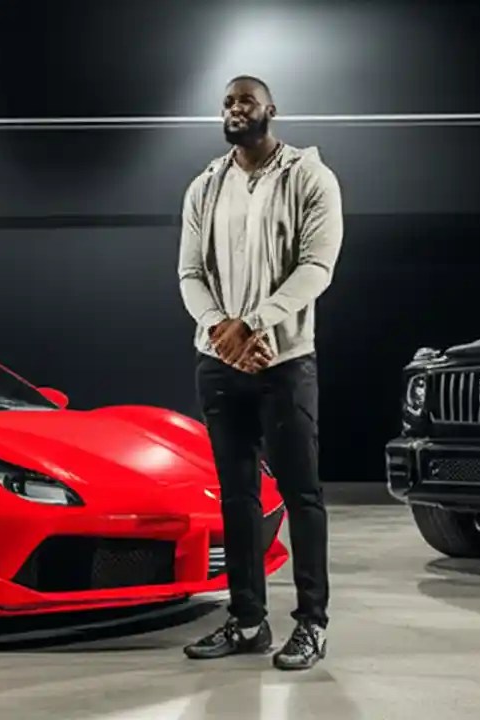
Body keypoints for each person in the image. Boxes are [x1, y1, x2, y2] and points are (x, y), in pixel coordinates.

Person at [176, 74, 344, 671]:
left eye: (244, 100)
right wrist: (224, 329)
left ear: (270, 109)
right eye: (226, 102)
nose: (233, 109)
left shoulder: (310, 177)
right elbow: (189, 275)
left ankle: (312, 624)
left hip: (286, 362)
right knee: (237, 496)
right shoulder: (204, 187)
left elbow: (317, 267)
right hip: (220, 363)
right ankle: (247, 619)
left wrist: (256, 324)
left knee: (302, 493)